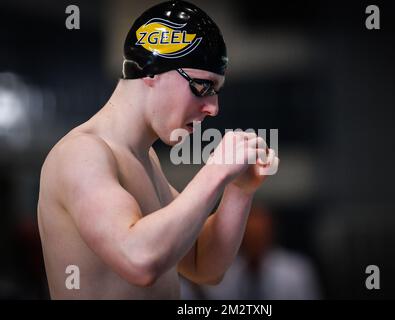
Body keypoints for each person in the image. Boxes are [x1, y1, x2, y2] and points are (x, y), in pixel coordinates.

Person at [37, 0, 279, 299]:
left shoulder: (143, 158)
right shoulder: (81, 153)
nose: (213, 107)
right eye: (203, 87)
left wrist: (239, 190)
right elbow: (139, 260)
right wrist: (216, 171)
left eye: (216, 91)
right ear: (152, 71)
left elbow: (204, 265)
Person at [180, 204, 322, 300]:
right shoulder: (223, 268)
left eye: (260, 236)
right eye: (251, 236)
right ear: (241, 238)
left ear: (271, 234)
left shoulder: (296, 270)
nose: (255, 242)